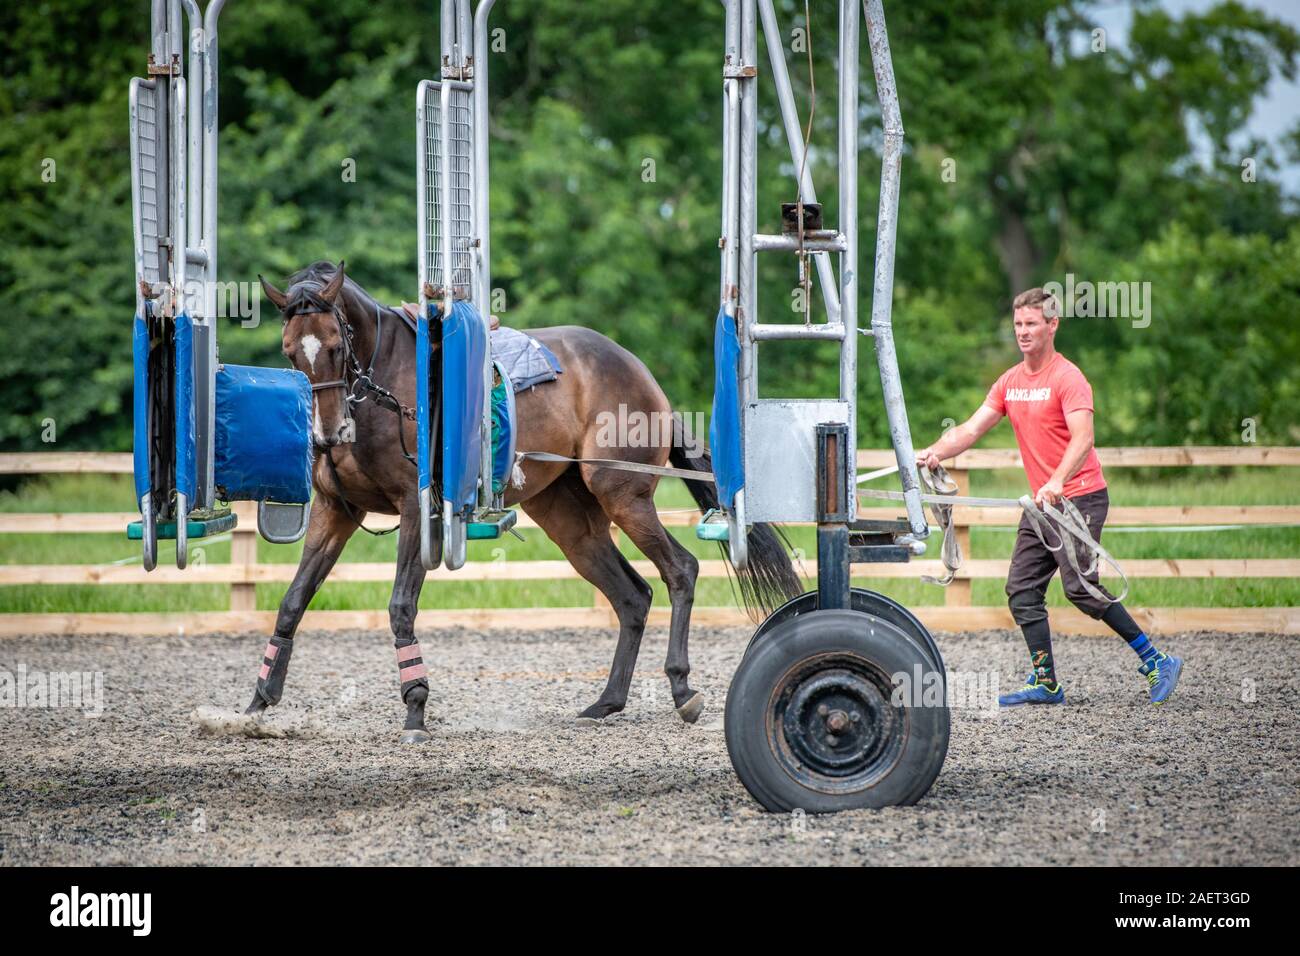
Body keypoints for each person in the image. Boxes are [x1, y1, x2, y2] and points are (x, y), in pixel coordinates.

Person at [914, 288, 1183, 706]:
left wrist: (1057, 480)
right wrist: (934, 451)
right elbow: (969, 429)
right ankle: (1046, 682)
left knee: (1080, 589)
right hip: (1042, 505)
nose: (1023, 332)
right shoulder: (1010, 382)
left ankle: (1156, 660)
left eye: (1031, 324)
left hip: (1080, 497)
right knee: (1021, 589)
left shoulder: (1068, 378)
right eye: (1018, 324)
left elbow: (1084, 438)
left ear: (1052, 325)